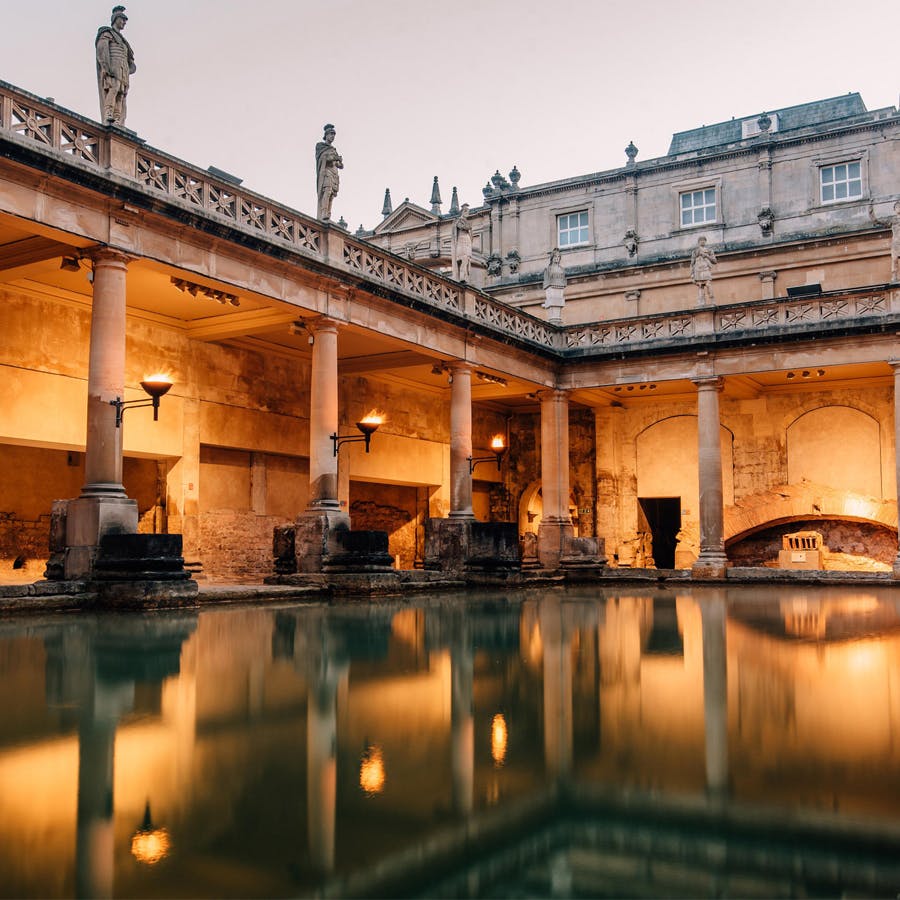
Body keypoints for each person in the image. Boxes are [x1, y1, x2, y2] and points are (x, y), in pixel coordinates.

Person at [95, 6, 136, 127]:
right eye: (122, 19)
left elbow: (128, 57)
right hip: (113, 68)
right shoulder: (107, 33)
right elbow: (102, 50)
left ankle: (118, 119)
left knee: (121, 94)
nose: (124, 23)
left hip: (123, 69)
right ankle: (108, 114)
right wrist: (106, 68)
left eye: (125, 21)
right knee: (113, 89)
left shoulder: (124, 41)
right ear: (115, 19)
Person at [315, 124, 343, 221]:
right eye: (331, 134)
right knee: (327, 191)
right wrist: (334, 158)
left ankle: (328, 214)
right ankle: (323, 212)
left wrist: (340, 162)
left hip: (334, 174)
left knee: (331, 194)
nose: (332, 136)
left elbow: (337, 164)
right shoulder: (320, 146)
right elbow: (323, 158)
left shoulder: (333, 149)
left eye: (334, 135)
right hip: (326, 173)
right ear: (326, 135)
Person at [690, 236, 717, 304]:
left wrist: (706, 256)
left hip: (706, 269)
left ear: (705, 241)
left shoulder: (709, 250)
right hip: (698, 270)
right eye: (701, 240)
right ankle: (701, 302)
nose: (702, 241)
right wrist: (692, 274)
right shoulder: (695, 251)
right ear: (698, 242)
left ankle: (712, 300)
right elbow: (692, 263)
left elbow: (714, 261)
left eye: (704, 240)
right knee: (700, 286)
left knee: (708, 284)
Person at [452, 204, 472, 282]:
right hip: (462, 240)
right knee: (463, 258)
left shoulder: (465, 221)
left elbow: (468, 228)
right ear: (463, 212)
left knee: (467, 258)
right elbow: (465, 227)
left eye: (468, 212)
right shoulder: (459, 221)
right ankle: (462, 276)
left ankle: (465, 276)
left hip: (467, 240)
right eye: (466, 211)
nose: (468, 213)